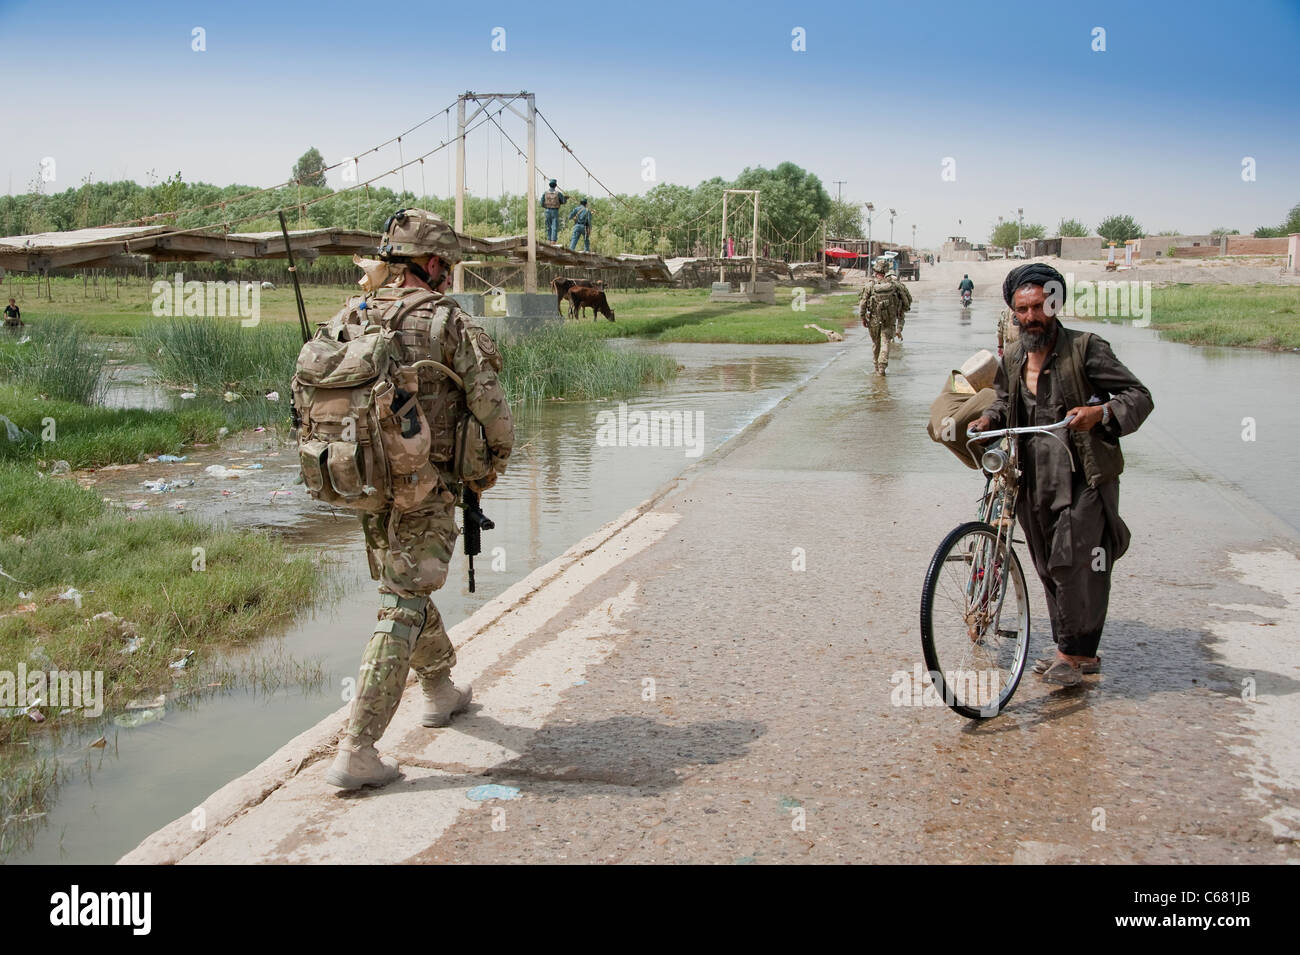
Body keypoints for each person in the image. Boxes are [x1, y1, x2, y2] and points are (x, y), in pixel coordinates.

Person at [324, 209, 515, 789]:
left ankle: (438, 689)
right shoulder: (445, 320)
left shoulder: (350, 315)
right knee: (404, 600)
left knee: (402, 585)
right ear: (431, 265)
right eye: (447, 265)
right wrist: (493, 466)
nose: (450, 275)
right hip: (426, 486)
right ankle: (357, 750)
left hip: (361, 479)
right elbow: (490, 407)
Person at [970, 263, 1153, 686]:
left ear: (1055, 304)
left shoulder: (1086, 349)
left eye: (1039, 307)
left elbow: (1138, 396)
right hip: (1033, 477)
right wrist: (986, 421)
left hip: (1083, 475)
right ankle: (1068, 648)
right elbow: (1004, 401)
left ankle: (1076, 655)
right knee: (1047, 564)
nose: (1031, 316)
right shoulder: (1013, 355)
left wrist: (1100, 413)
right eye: (1023, 309)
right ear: (1013, 312)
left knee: (1074, 563)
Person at [857, 256, 912, 375]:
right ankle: (882, 367)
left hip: (874, 320)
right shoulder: (894, 286)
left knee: (876, 343)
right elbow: (905, 303)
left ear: (875, 271)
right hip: (889, 320)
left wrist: (863, 317)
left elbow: (863, 303)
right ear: (885, 271)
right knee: (886, 342)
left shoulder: (869, 286)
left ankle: (876, 367)